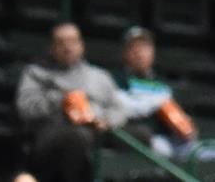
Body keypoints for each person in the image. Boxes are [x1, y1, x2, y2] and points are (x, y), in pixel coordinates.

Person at [16, 23, 130, 182]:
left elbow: (119, 109)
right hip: (53, 134)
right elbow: (25, 108)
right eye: (61, 42)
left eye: (72, 41)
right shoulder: (36, 73)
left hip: (97, 130)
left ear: (81, 45)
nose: (67, 47)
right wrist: (59, 100)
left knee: (141, 135)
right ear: (52, 47)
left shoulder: (99, 76)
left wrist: (107, 121)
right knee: (78, 136)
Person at [112, 27, 201, 159]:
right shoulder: (116, 79)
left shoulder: (162, 84)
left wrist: (186, 126)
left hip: (171, 140)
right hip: (141, 140)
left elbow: (176, 113)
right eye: (134, 47)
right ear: (125, 52)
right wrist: (156, 102)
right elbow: (123, 108)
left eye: (145, 47)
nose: (139, 53)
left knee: (211, 152)